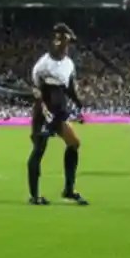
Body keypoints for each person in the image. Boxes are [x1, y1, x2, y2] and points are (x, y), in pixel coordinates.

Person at [28, 24, 88, 205]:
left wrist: (79, 103)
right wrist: (41, 104)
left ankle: (68, 190)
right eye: (59, 40)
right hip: (44, 111)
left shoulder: (69, 64)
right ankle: (34, 195)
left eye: (65, 41)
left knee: (74, 143)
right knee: (39, 149)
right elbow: (35, 87)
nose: (61, 44)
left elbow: (69, 87)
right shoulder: (43, 64)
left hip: (60, 111)